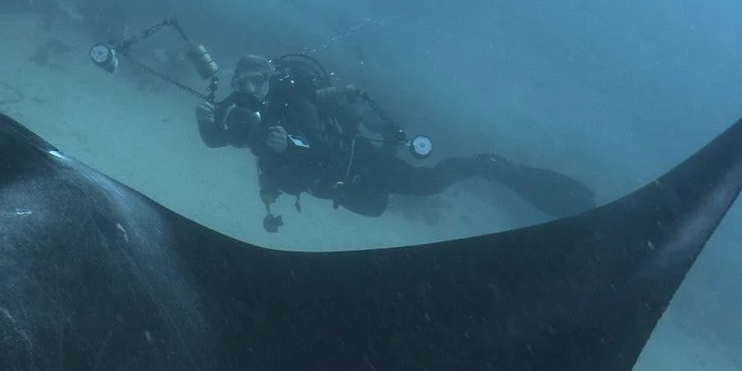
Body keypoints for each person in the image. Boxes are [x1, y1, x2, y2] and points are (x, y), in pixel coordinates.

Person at [197, 52, 595, 232]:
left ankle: (486, 165)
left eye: (257, 82)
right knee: (375, 209)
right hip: (335, 186)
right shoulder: (246, 114)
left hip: (358, 164)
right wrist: (205, 122)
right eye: (243, 84)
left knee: (428, 185)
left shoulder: (296, 101)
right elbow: (220, 141)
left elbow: (320, 150)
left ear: (268, 81)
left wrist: (292, 148)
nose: (250, 90)